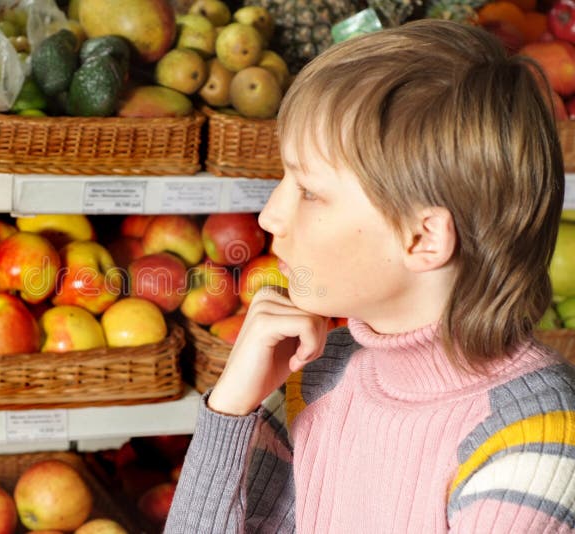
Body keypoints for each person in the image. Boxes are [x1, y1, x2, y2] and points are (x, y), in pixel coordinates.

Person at [165, 19, 575, 534]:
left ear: (423, 239)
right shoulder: (317, 376)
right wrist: (230, 410)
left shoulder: (533, 441)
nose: (269, 217)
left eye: (310, 192)